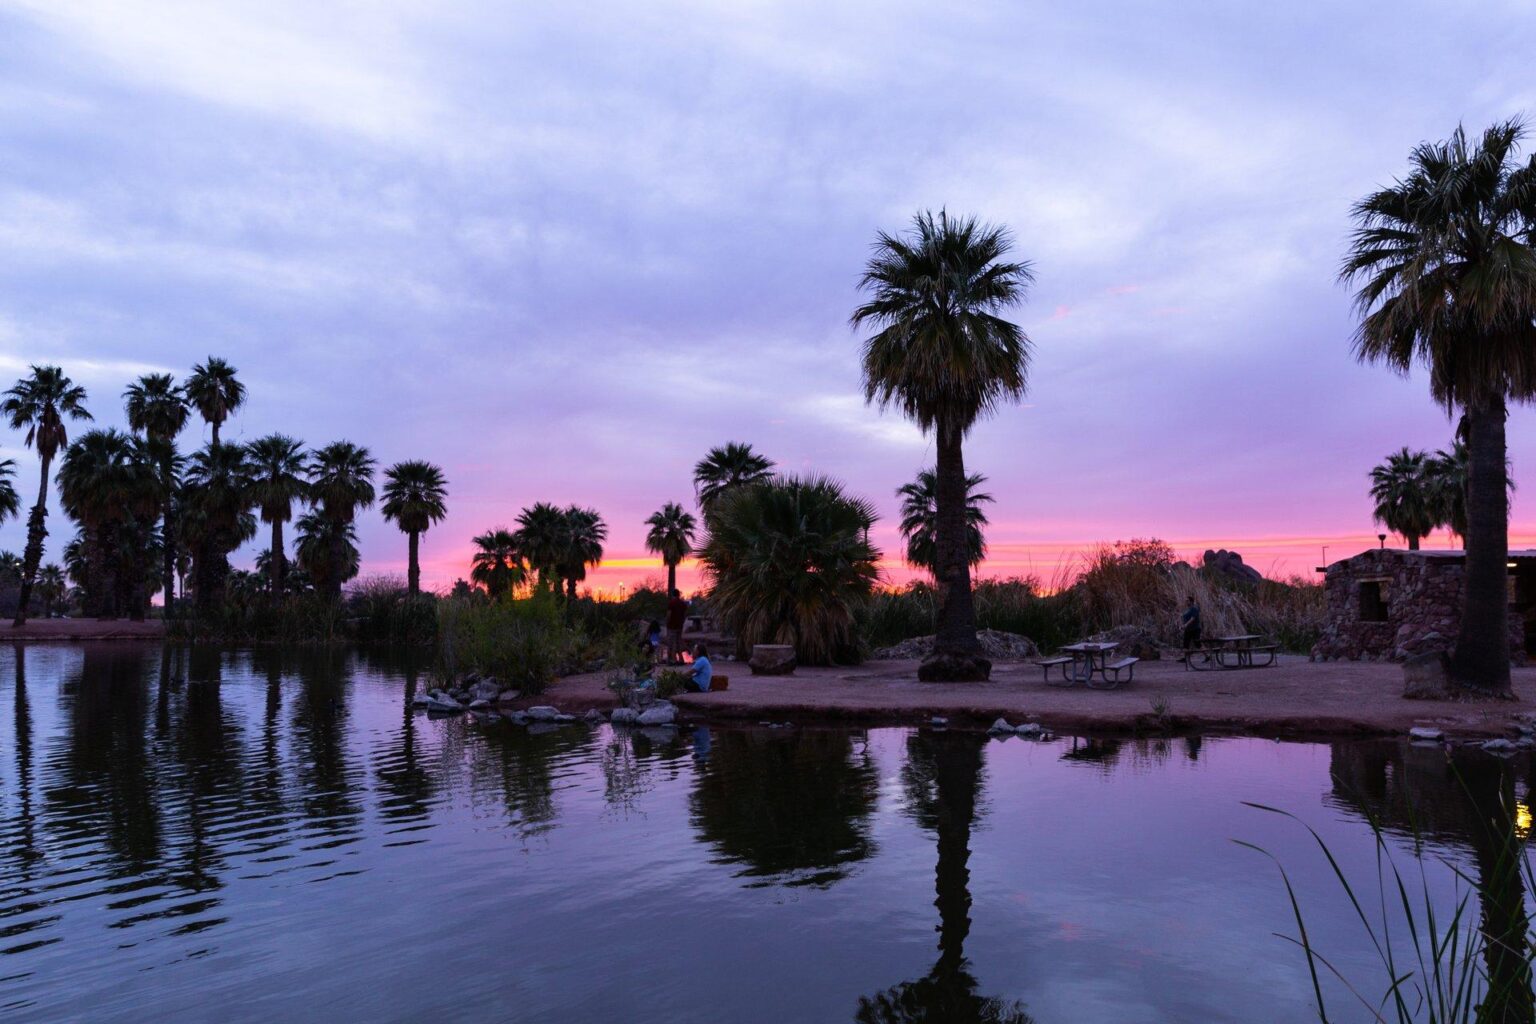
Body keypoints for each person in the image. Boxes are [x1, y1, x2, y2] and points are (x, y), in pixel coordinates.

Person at [665, 589, 689, 664]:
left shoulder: (671, 603)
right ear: (679, 594)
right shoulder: (683, 603)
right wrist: (682, 622)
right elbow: (685, 615)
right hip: (679, 626)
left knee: (671, 643)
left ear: (673, 595)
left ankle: (671, 660)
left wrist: (667, 623)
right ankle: (681, 660)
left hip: (672, 626)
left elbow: (669, 614)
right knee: (678, 643)